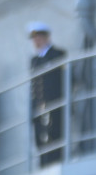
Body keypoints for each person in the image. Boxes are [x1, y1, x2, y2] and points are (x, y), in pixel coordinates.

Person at [28, 23, 68, 166]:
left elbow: (62, 80)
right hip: (39, 109)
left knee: (54, 139)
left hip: (54, 106)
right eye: (34, 39)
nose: (36, 41)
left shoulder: (57, 54)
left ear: (46, 37)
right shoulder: (35, 60)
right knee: (41, 142)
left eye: (38, 37)